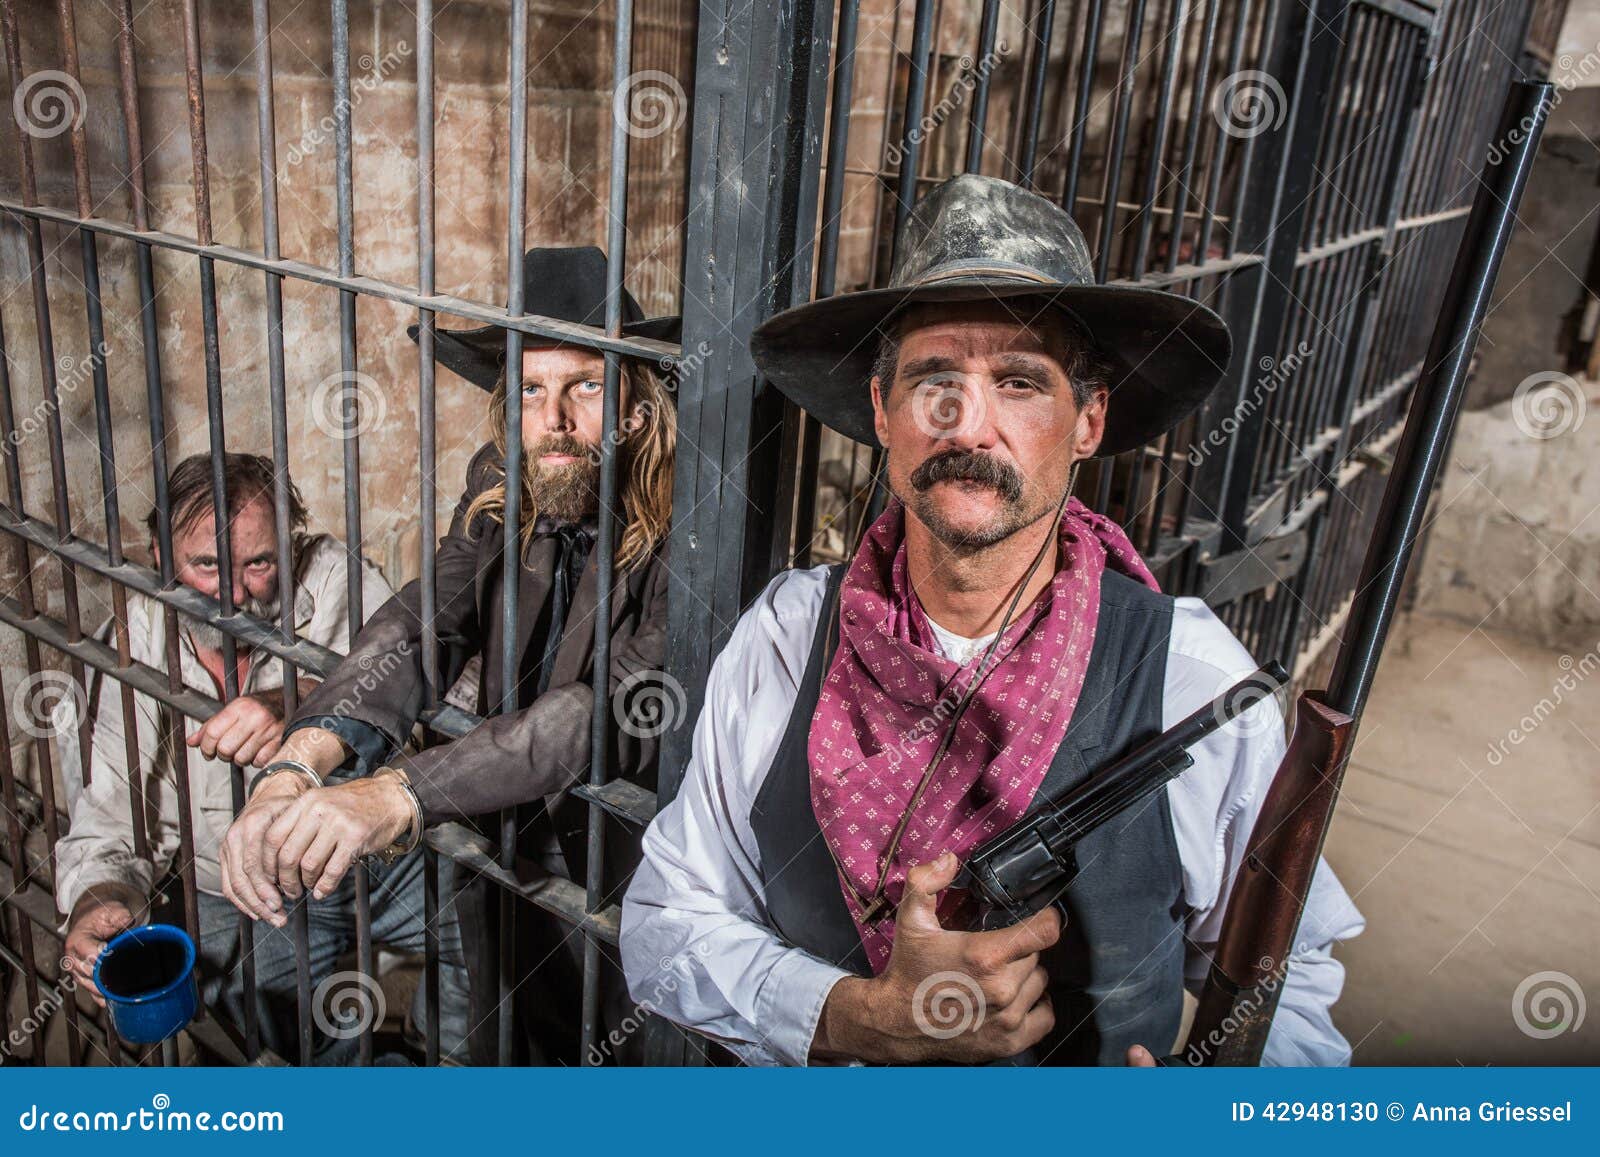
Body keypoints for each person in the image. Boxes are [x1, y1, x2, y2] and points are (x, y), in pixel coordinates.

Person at [620, 174, 1365, 1066]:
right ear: (881, 411)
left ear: (1088, 421)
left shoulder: (1191, 676)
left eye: (1019, 382)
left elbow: (1290, 968)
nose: (969, 427)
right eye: (935, 379)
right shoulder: (785, 637)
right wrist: (854, 1014)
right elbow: (666, 925)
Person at [217, 247, 679, 1064]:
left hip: (627, 860)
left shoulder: (690, 520)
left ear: (637, 409)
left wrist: (399, 790)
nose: (555, 420)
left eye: (587, 386)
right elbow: (421, 622)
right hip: (500, 831)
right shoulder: (503, 475)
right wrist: (297, 761)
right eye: (532, 389)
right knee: (499, 1054)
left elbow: (601, 709)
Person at [56, 451, 471, 1062]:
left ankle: (438, 1072)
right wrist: (96, 904)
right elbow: (111, 820)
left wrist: (299, 700)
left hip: (368, 852)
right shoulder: (131, 641)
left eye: (258, 563)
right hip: (239, 884)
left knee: (492, 934)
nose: (230, 594)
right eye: (204, 564)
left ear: (291, 545)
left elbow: (413, 705)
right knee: (279, 1042)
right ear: (157, 552)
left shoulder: (336, 578)